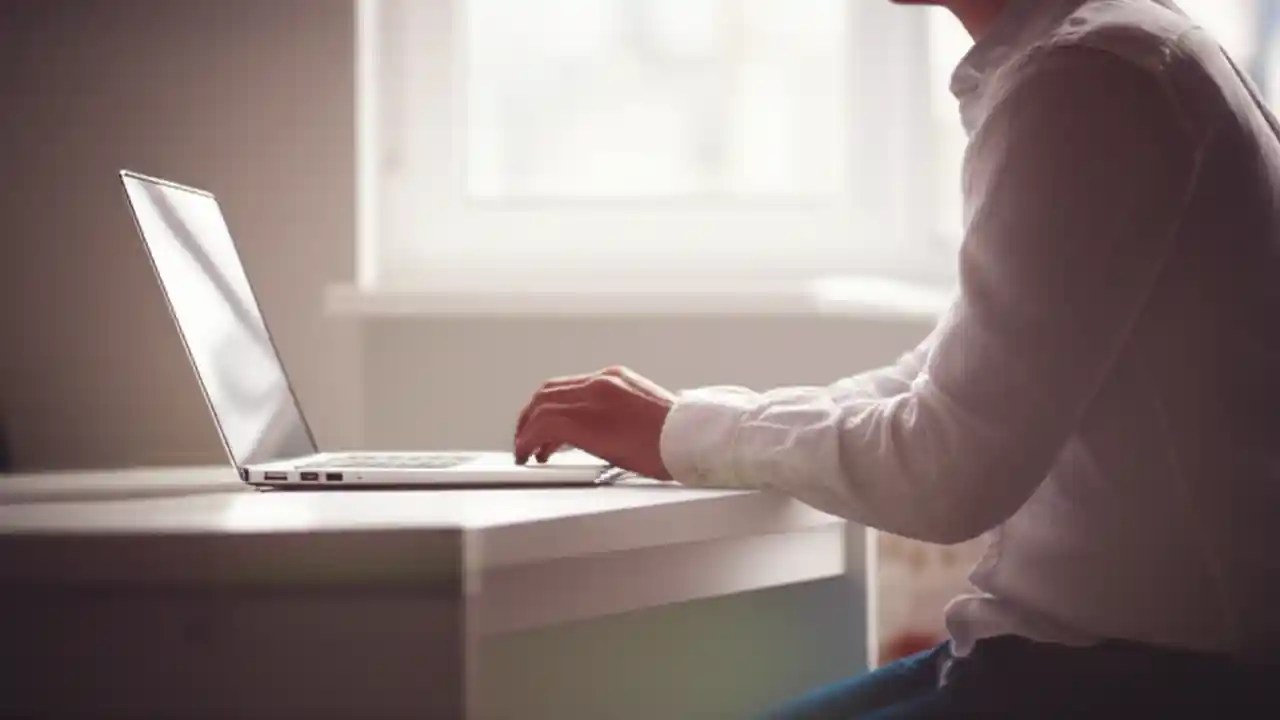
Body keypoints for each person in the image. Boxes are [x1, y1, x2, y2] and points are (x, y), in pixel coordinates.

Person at [513, 0, 1280, 716]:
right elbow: (941, 376)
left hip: (1124, 684)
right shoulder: (1131, 51)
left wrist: (686, 431)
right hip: (1105, 668)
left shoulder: (1088, 81)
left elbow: (948, 473)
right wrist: (686, 424)